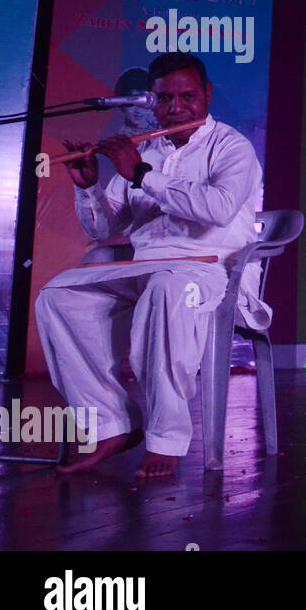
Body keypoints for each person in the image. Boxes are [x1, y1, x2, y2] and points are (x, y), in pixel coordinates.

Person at [36, 52, 269, 479]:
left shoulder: (233, 148)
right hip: (145, 268)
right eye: (165, 99)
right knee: (59, 295)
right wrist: (89, 188)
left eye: (187, 96)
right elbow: (105, 226)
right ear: (153, 101)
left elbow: (216, 209)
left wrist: (141, 175)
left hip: (210, 269)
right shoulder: (150, 149)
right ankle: (111, 425)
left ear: (207, 95)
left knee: (167, 289)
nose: (176, 108)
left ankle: (166, 438)